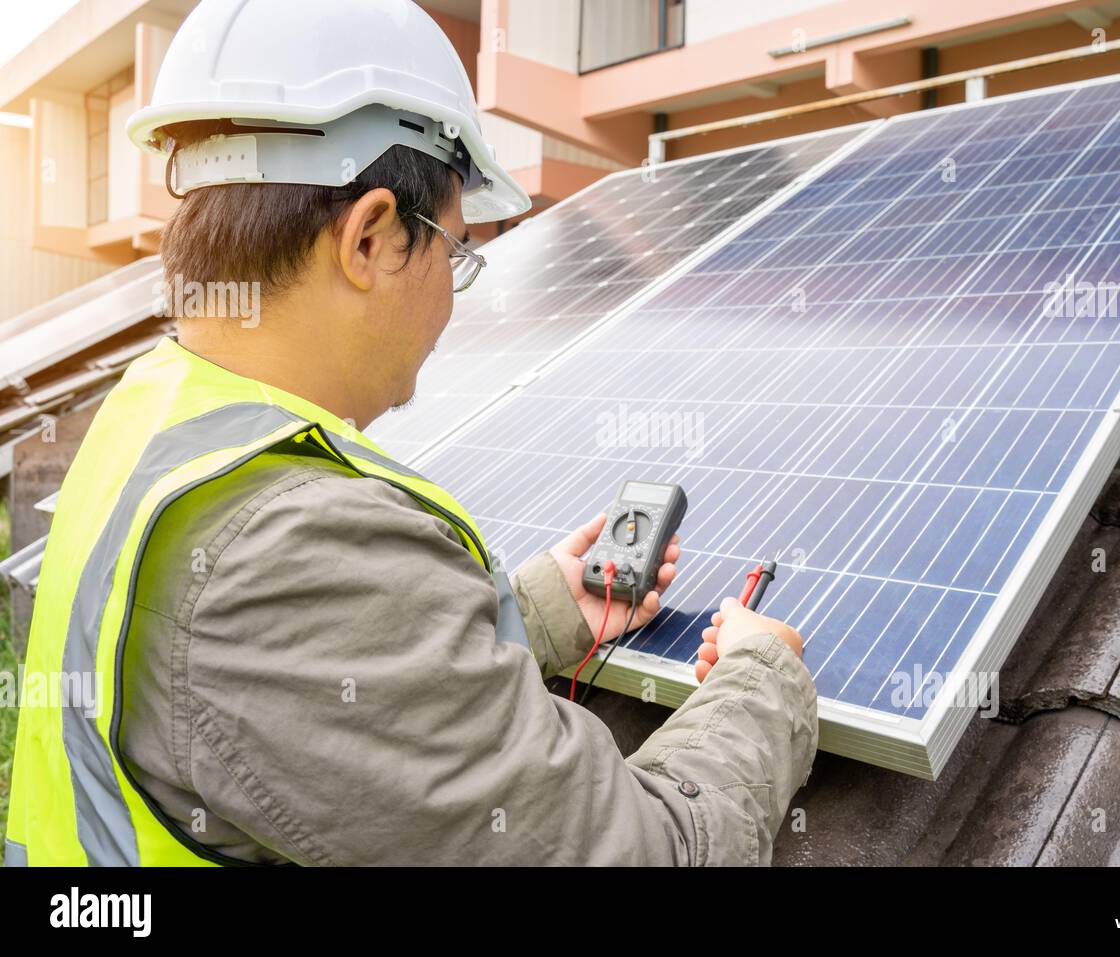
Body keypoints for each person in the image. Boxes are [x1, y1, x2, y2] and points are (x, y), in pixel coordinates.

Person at [4, 0, 817, 867]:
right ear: (371, 237)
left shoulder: (153, 413)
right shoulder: (297, 549)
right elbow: (646, 851)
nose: (450, 302)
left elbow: (293, 706)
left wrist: (535, 613)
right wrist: (759, 683)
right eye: (456, 253)